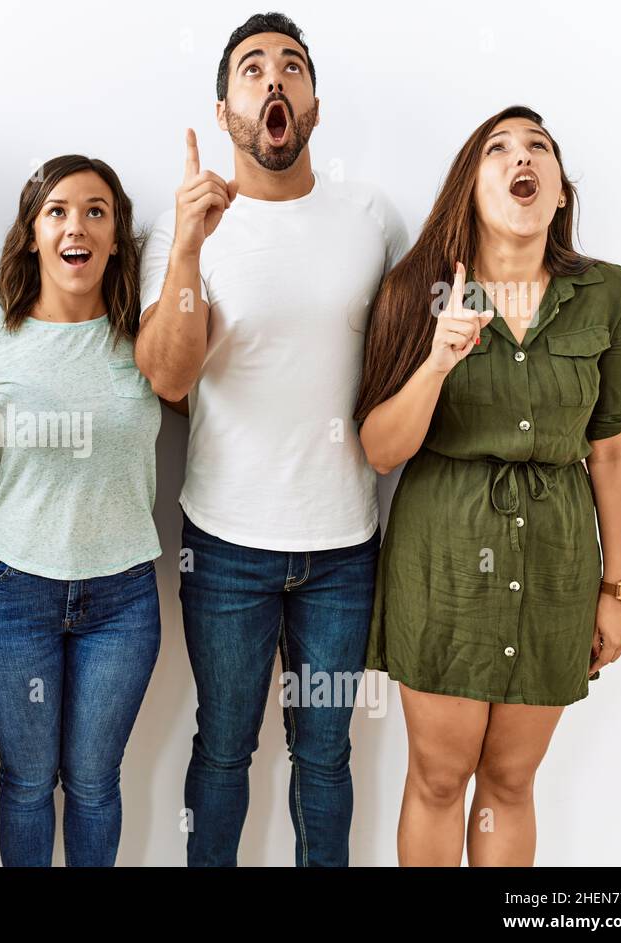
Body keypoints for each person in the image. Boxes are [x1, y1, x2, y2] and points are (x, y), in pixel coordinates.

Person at [135, 13, 409, 866]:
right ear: (226, 112)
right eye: (252, 70)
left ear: (314, 106)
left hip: (344, 546)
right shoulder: (186, 226)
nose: (274, 80)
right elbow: (168, 378)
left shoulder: (371, 216)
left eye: (291, 67)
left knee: (324, 756)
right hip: (224, 547)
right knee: (223, 748)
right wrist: (186, 250)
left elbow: (401, 360)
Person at [355, 105, 621, 866]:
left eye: (540, 149)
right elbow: (379, 449)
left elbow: (612, 448)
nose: (524, 157)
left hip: (556, 565)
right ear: (470, 186)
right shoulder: (413, 290)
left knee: (513, 781)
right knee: (440, 779)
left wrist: (618, 589)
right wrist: (439, 359)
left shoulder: (610, 294)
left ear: (557, 193)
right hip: (442, 559)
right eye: (499, 148)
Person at [0, 155, 169, 866]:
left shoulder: (141, 334)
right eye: (58, 210)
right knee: (28, 784)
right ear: (33, 233)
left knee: (94, 784)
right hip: (13, 595)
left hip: (123, 597)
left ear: (117, 236)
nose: (77, 225)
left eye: (97, 211)